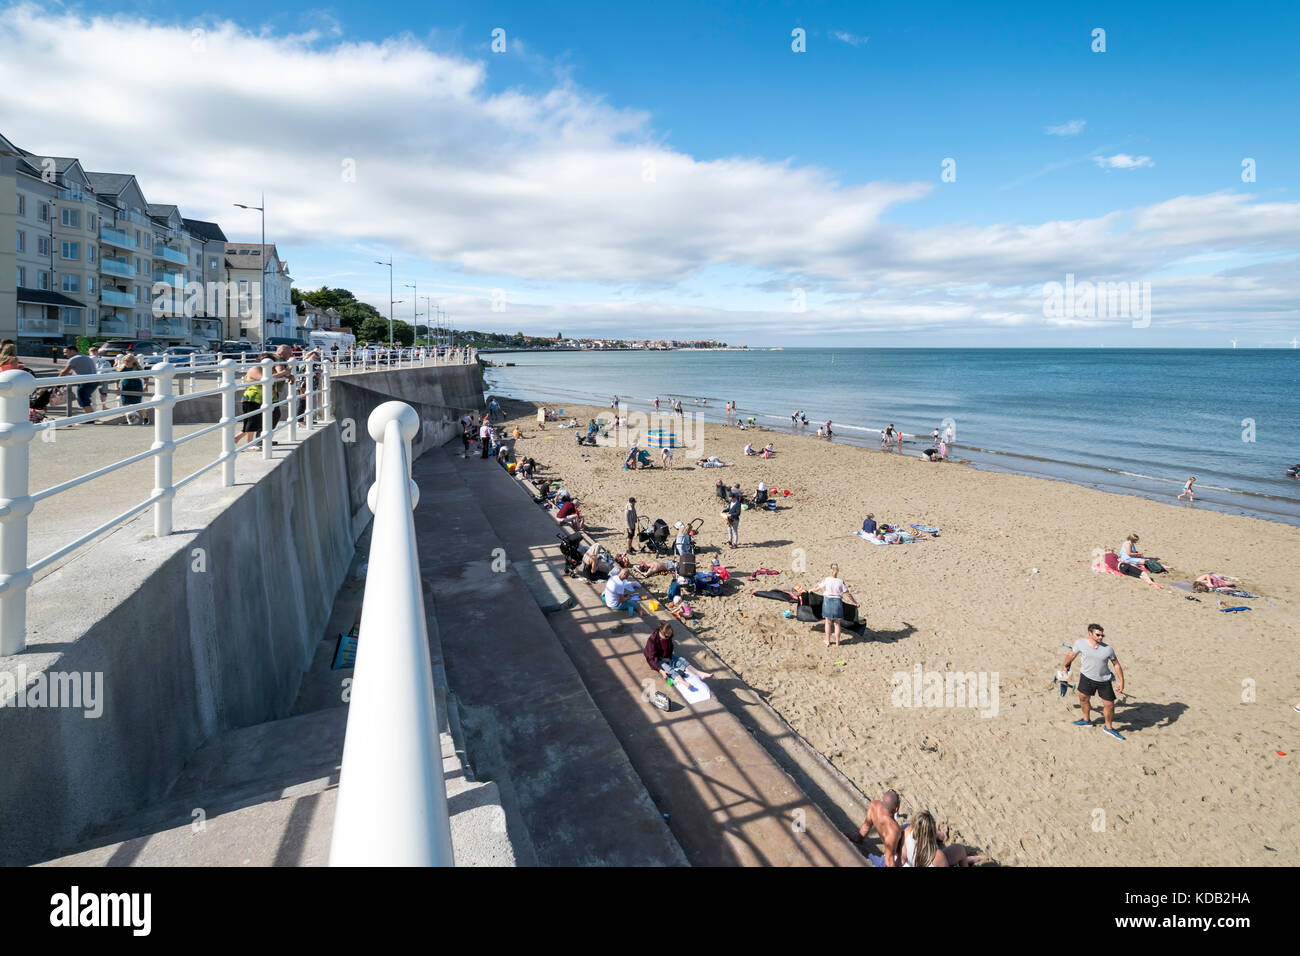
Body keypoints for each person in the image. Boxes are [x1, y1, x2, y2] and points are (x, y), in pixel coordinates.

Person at [1063, 623, 1126, 741]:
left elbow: (1116, 665)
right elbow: (1071, 654)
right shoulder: (1080, 643)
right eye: (1098, 635)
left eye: (1102, 635)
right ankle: (1086, 720)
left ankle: (1108, 727)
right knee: (1083, 698)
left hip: (1104, 680)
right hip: (1086, 677)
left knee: (1109, 705)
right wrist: (1064, 666)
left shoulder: (1108, 649)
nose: (1101, 637)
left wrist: (1121, 681)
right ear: (1090, 633)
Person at [848, 790, 905, 867]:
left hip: (890, 844)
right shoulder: (893, 830)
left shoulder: (874, 805)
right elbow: (889, 859)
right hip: (895, 854)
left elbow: (866, 826)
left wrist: (858, 838)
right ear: (896, 809)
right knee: (907, 826)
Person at [644, 621, 712, 682]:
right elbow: (650, 659)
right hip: (656, 658)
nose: (668, 638)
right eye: (666, 637)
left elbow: (670, 647)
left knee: (681, 660)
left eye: (669, 637)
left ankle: (699, 673)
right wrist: (660, 670)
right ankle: (683, 681)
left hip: (665, 655)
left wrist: (668, 657)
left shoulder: (668, 637)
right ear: (661, 633)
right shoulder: (652, 641)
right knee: (668, 668)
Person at [812, 563, 859, 647]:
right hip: (837, 602)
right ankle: (837, 642)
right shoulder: (841, 581)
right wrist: (855, 602)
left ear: (830, 570)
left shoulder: (826, 580)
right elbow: (848, 594)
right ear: (838, 571)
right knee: (837, 624)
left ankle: (828, 641)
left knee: (828, 622)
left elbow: (816, 589)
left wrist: (811, 590)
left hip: (827, 602)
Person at [58, 346, 99, 417]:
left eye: (66, 352)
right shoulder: (85, 357)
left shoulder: (74, 359)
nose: (65, 354)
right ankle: (90, 417)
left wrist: (56, 380)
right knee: (85, 400)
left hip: (85, 382)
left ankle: (90, 419)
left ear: (73, 351)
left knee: (83, 400)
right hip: (93, 380)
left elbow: (64, 372)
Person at [116, 354, 148, 425]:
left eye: (128, 361)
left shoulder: (137, 368)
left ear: (133, 361)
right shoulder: (122, 368)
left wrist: (145, 386)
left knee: (138, 404)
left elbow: (146, 377)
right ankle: (129, 420)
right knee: (125, 404)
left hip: (136, 386)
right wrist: (116, 386)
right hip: (126, 386)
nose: (126, 362)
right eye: (125, 360)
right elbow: (116, 378)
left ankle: (145, 418)